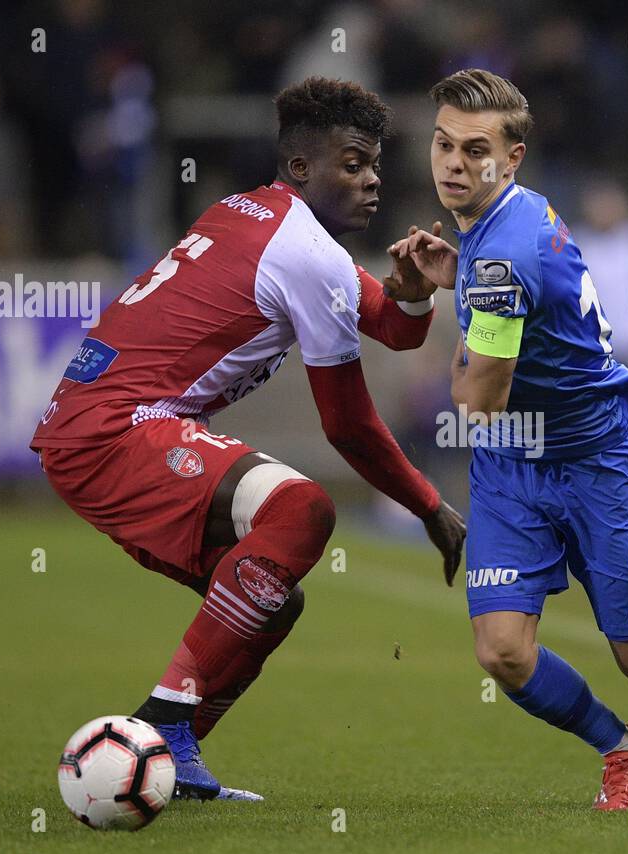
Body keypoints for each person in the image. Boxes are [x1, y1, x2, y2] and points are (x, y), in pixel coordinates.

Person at [30, 77, 466, 800]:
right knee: (303, 511)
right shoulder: (306, 254)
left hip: (88, 429)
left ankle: (176, 759)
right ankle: (162, 717)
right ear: (302, 167)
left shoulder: (255, 215)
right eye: (353, 164)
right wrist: (430, 506)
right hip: (116, 430)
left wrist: (415, 291)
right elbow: (348, 427)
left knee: (272, 596)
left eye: (376, 166)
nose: (372, 182)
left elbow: (389, 321)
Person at [392, 69, 628, 811]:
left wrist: (454, 303)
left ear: (512, 158)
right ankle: (622, 750)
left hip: (596, 459)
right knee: (504, 652)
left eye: (475, 149)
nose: (453, 163)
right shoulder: (500, 229)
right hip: (513, 469)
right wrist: (463, 287)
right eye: (443, 144)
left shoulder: (502, 254)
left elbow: (475, 402)